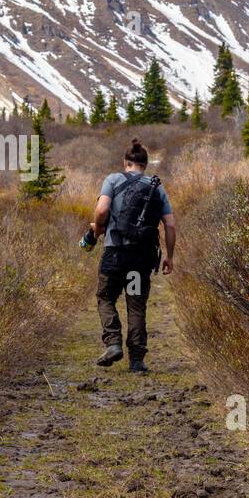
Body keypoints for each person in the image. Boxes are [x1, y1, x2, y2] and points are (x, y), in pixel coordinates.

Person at [83, 138, 176, 372]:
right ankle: (137, 360)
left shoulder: (113, 180)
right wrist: (170, 256)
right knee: (135, 305)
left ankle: (113, 342)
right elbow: (170, 225)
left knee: (106, 297)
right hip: (140, 258)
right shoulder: (156, 187)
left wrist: (96, 230)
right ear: (144, 164)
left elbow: (102, 209)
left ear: (126, 162)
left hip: (115, 254)